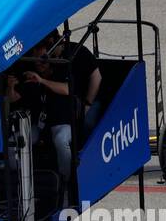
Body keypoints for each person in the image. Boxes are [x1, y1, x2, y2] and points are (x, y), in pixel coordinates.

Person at [13, 30, 101, 182]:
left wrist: (88, 103)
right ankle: (21, 181)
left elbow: (92, 78)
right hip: (42, 120)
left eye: (44, 59)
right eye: (37, 59)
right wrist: (10, 86)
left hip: (73, 110)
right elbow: (15, 96)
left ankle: (68, 180)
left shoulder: (66, 62)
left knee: (68, 134)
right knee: (18, 138)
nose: (39, 62)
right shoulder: (31, 67)